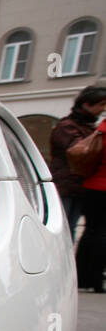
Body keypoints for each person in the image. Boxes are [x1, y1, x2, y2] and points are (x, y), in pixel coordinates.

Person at [51, 85, 106, 242]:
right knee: (62, 228)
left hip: (79, 186)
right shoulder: (67, 126)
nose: (102, 109)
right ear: (86, 104)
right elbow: (79, 152)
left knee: (71, 228)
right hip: (66, 185)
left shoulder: (89, 127)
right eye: (101, 104)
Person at [76, 109, 106, 293]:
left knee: (90, 231)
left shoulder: (100, 130)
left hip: (92, 186)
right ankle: (95, 279)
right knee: (103, 234)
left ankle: (82, 277)